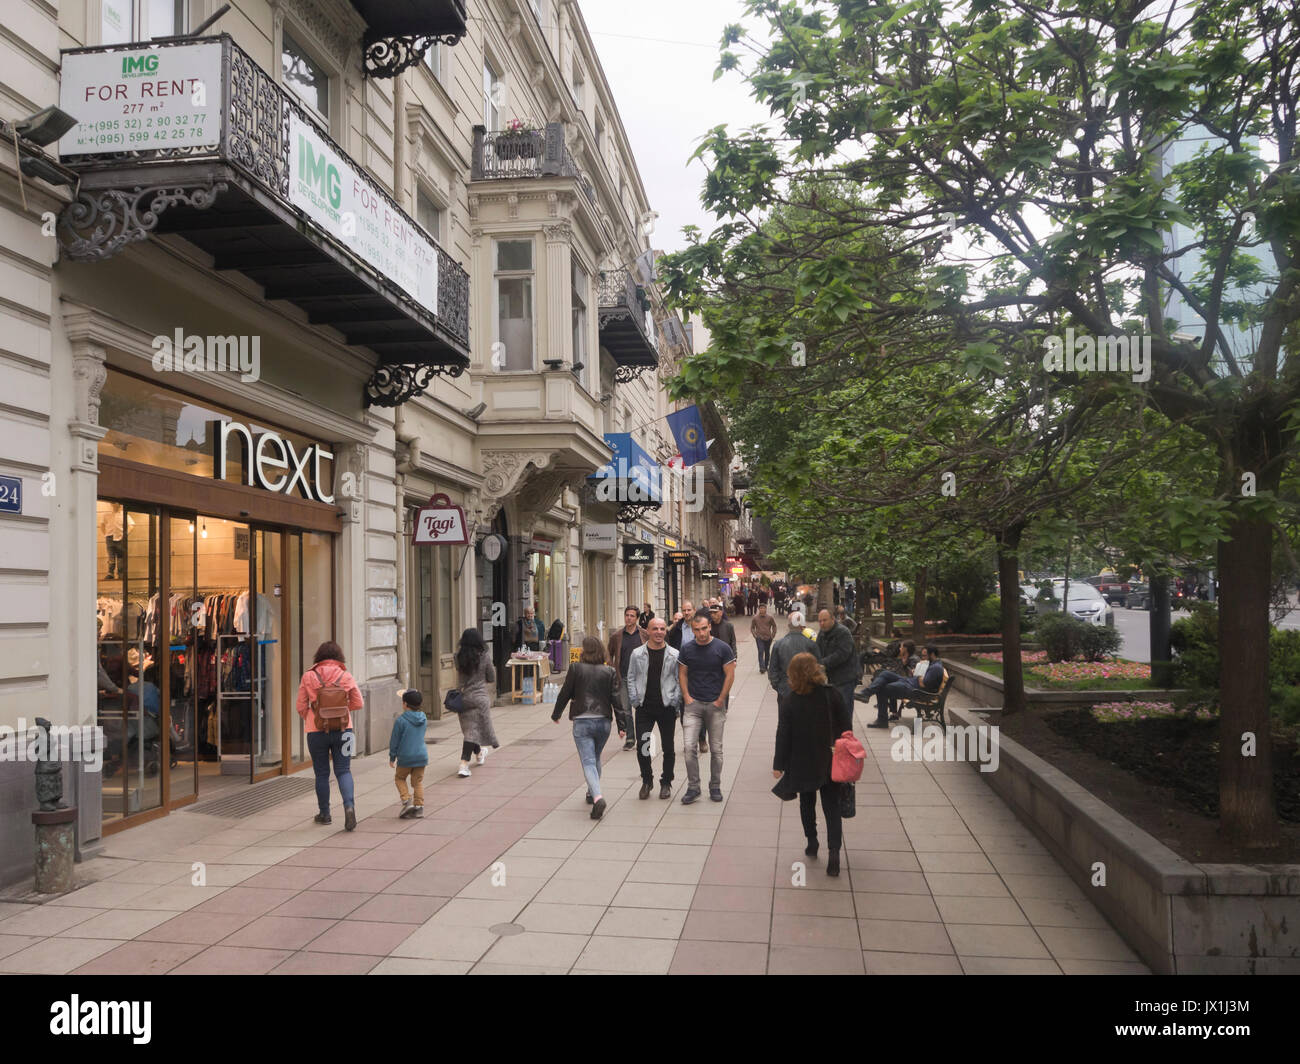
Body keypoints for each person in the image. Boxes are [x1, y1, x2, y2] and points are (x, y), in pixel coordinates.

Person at [773, 652, 852, 876]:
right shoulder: (832, 694)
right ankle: (834, 852)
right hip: (829, 759)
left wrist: (778, 763)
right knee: (832, 806)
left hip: (802, 761)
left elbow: (783, 733)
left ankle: (812, 841)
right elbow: (846, 726)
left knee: (807, 802)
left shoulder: (790, 700)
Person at [551, 636, 628, 819]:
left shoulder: (576, 668)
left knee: (588, 761)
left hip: (583, 720)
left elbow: (565, 692)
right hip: (603, 722)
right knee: (595, 757)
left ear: (584, 651)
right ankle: (591, 791)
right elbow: (616, 699)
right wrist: (622, 725)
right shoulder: (609, 671)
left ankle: (598, 797)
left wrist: (556, 714)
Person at [296, 641, 365, 829]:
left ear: (319, 657)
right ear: (338, 657)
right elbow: (358, 703)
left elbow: (300, 706)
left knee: (321, 773)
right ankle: (349, 807)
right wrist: (341, 711)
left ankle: (325, 813)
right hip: (344, 730)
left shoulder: (309, 676)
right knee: (344, 770)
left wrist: (313, 717)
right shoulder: (346, 675)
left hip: (316, 731)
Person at [677, 613, 736, 804]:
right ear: (692, 630)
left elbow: (730, 674)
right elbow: (682, 673)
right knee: (688, 748)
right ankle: (694, 787)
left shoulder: (722, 648)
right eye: (697, 630)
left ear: (709, 626)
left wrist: (721, 699)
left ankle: (715, 786)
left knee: (716, 750)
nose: (701, 633)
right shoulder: (687, 649)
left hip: (715, 705)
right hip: (693, 706)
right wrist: (686, 697)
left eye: (704, 628)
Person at [627, 616, 682, 799]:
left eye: (662, 629)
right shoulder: (637, 654)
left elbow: (679, 680)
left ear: (665, 631)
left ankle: (666, 782)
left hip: (666, 708)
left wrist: (674, 700)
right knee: (644, 746)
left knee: (668, 748)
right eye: (655, 629)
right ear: (648, 631)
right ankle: (647, 780)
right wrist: (635, 701)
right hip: (645, 709)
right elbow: (631, 677)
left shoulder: (674, 654)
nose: (659, 632)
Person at [864, 644, 945, 728]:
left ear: (932, 655)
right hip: (910, 682)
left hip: (915, 690)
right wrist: (916, 672)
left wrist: (919, 673)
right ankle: (866, 693)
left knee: (883, 688)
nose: (922, 658)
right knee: (885, 673)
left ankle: (882, 721)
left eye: (924, 655)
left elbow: (923, 684)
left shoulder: (935, 668)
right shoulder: (932, 664)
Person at [454, 628, 499, 775]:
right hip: (480, 698)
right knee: (472, 731)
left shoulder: (458, 657)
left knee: (470, 729)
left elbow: (461, 676)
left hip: (464, 698)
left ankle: (479, 753)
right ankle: (463, 764)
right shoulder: (484, 656)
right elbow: (491, 677)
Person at [608, 605, 645, 751]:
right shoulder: (617, 636)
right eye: (627, 615)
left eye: (632, 616)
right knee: (626, 710)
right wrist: (612, 667)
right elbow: (608, 653)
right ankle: (630, 738)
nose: (629, 618)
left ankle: (643, 738)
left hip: (641, 678)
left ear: (637, 618)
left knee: (642, 710)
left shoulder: (644, 634)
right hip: (623, 677)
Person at [389, 689, 428, 818]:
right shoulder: (423, 718)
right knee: (417, 782)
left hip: (405, 757)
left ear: (405, 704)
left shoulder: (401, 721)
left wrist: (392, 757)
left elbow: (394, 740)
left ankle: (406, 800)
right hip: (421, 756)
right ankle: (419, 807)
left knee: (399, 778)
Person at [769, 611, 820, 700]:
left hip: (785, 690)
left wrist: (778, 686)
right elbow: (818, 667)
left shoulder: (778, 644)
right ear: (803, 625)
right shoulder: (811, 644)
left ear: (789, 625)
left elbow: (773, 669)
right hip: (807, 690)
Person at [816, 608, 858, 715]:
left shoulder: (843, 632)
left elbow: (842, 654)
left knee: (844, 710)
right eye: (820, 621)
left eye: (824, 620)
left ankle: (846, 731)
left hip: (845, 678)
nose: (822, 623)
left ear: (833, 619)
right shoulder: (822, 633)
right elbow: (817, 650)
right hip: (830, 678)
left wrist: (822, 663)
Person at [752, 602, 777, 673]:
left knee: (767, 652)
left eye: (763, 608)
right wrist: (755, 635)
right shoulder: (755, 618)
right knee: (760, 651)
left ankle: (766, 666)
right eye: (760, 608)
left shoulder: (770, 617)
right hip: (759, 637)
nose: (762, 609)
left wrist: (772, 635)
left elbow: (774, 626)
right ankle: (762, 667)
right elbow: (752, 627)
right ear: (758, 609)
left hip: (768, 637)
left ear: (766, 609)